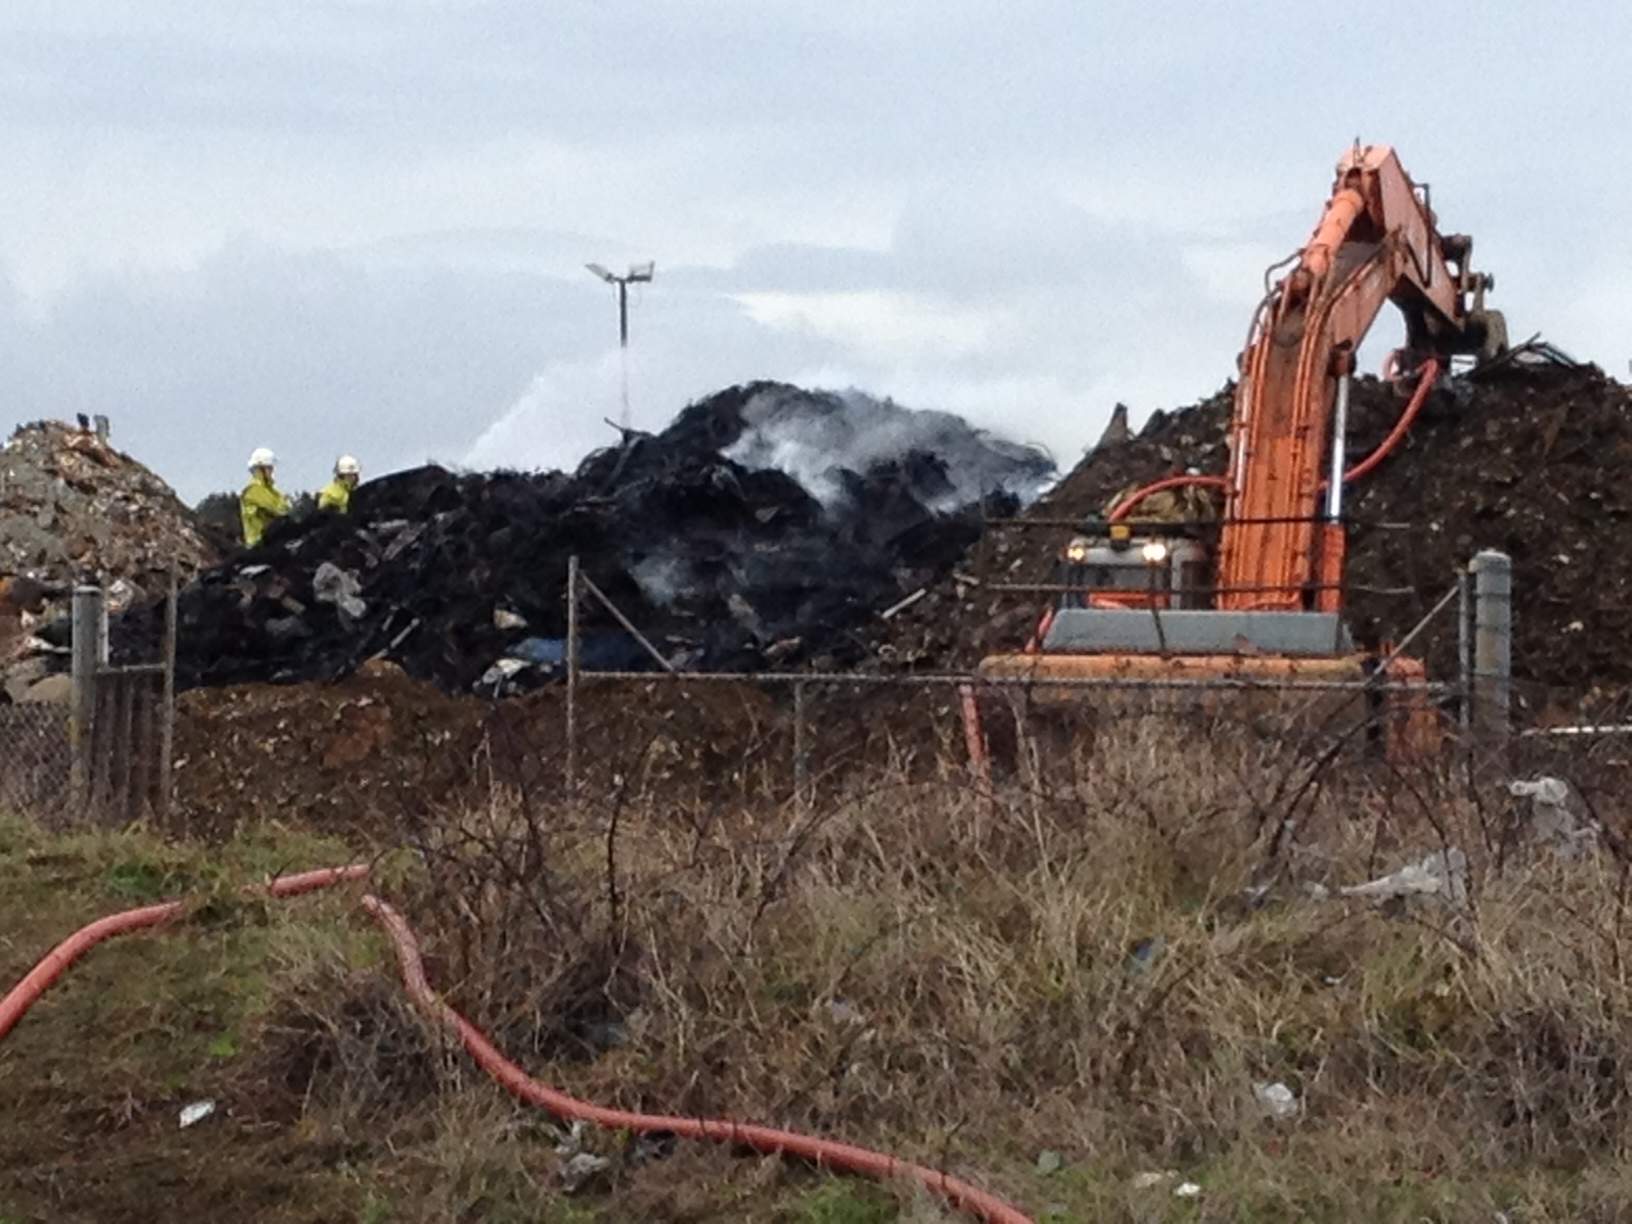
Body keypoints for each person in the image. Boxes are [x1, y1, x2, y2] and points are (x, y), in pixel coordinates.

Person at [240, 447, 290, 548]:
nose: (272, 471)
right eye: (269, 468)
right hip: (259, 544)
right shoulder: (253, 490)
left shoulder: (271, 490)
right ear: (260, 469)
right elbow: (280, 509)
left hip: (273, 540)